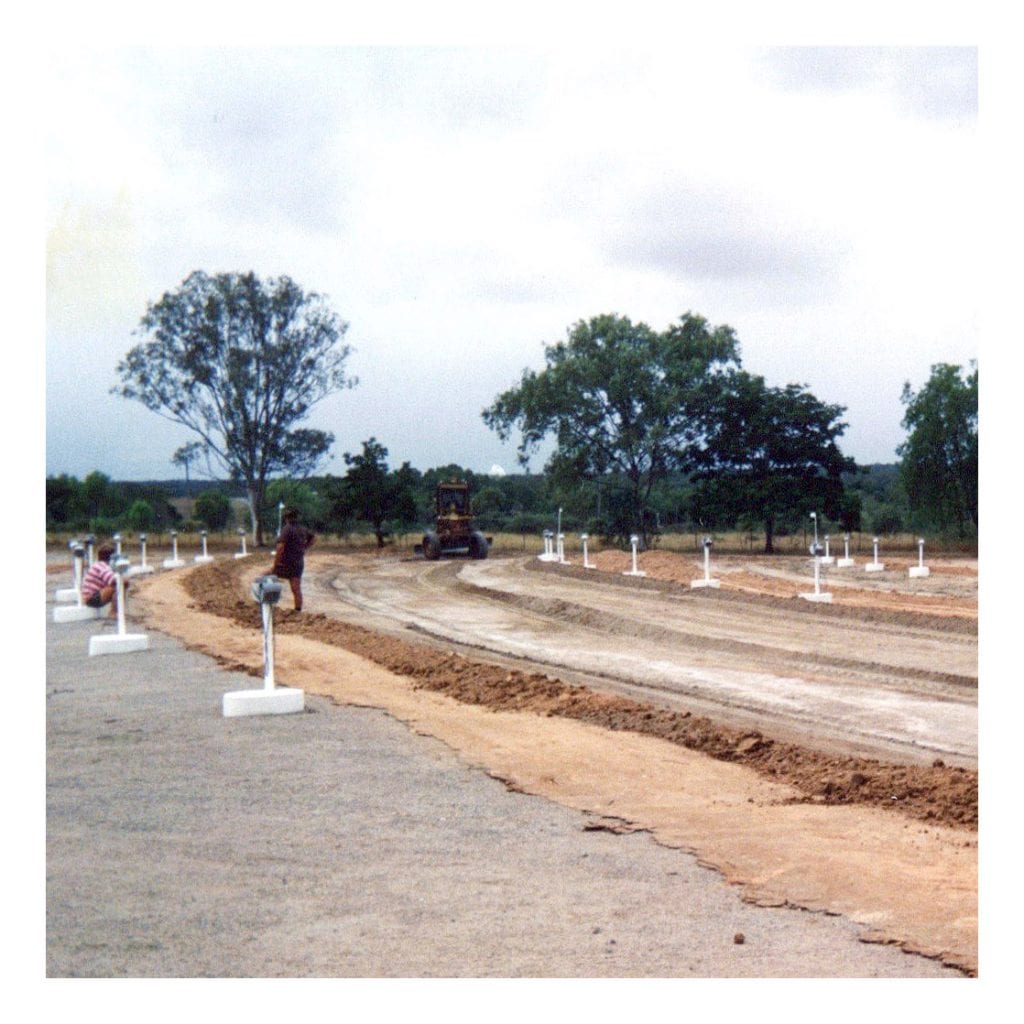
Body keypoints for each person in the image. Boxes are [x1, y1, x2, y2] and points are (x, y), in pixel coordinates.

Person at [271, 508, 315, 611]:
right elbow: (313, 539)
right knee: (296, 588)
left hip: (286, 562)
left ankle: (259, 599)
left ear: (286, 518)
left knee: (265, 575)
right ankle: (298, 610)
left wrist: (276, 564)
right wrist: (305, 547)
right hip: (298, 562)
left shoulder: (287, 529)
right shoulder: (302, 529)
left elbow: (280, 547)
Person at [80, 543, 128, 613]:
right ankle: (114, 612)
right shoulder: (102, 566)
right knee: (120, 586)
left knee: (120, 584)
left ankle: (117, 611)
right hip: (91, 598)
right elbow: (113, 581)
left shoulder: (99, 564)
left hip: (91, 596)